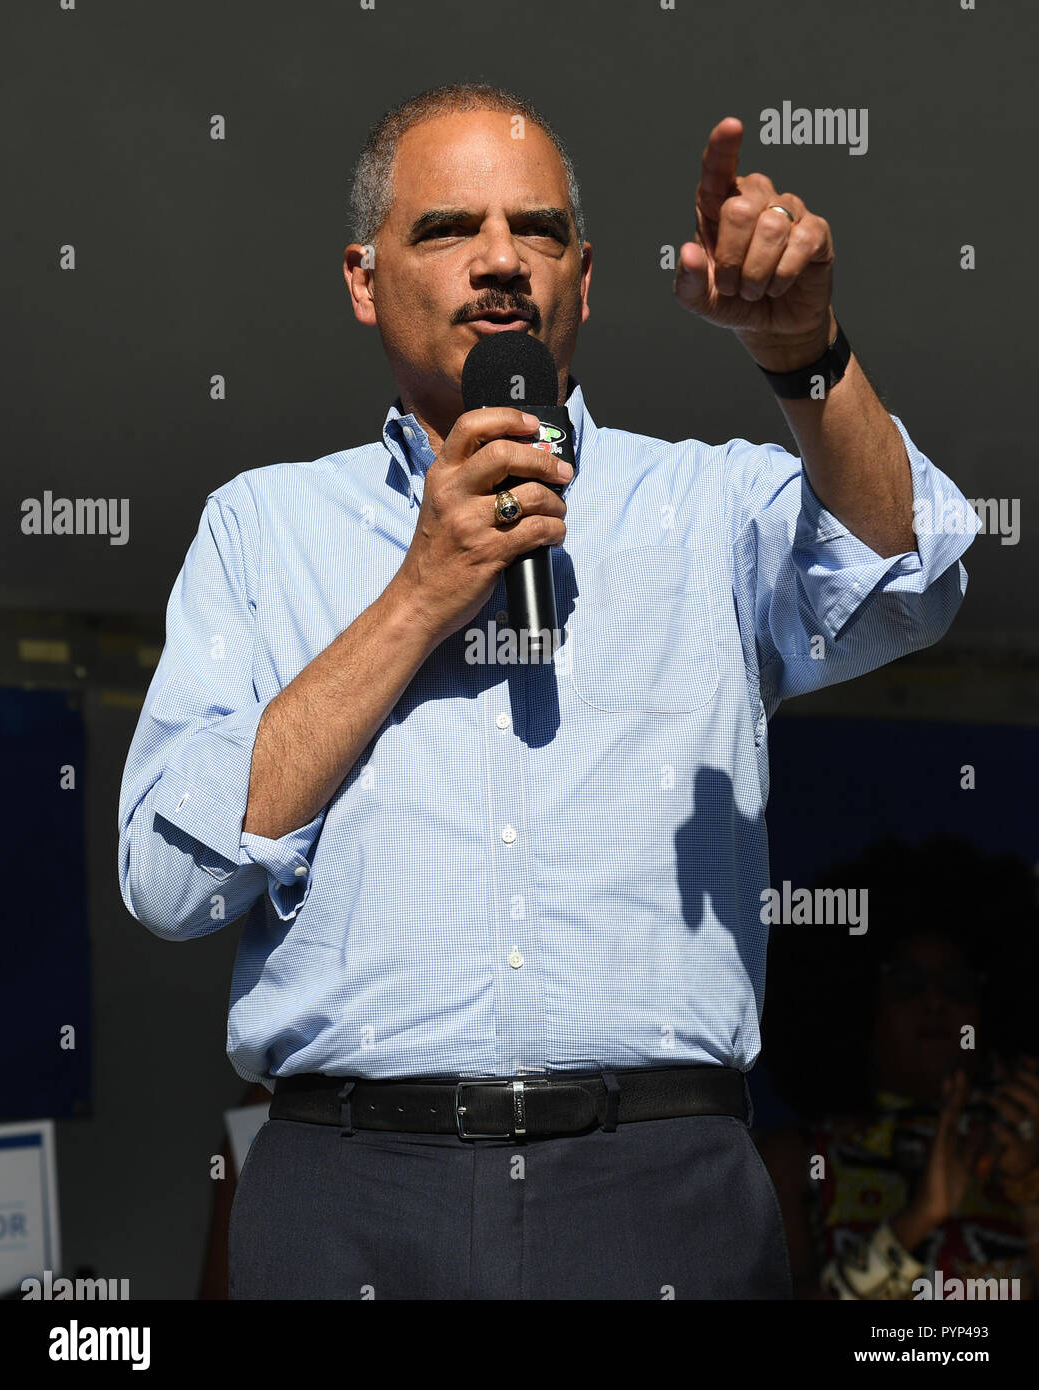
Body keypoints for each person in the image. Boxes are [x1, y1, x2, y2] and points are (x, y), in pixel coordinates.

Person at [117, 82, 979, 1300]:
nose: (499, 261)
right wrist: (418, 594)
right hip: (350, 1187)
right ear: (363, 280)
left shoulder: (703, 507)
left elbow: (910, 584)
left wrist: (805, 356)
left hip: (656, 1188)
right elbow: (168, 880)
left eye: (536, 230)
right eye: (447, 229)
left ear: (584, 277)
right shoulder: (262, 528)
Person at [756, 837, 1039, 1300]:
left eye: (957, 984)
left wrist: (1030, 1189)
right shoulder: (795, 1161)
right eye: (905, 984)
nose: (934, 1001)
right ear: (857, 1005)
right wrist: (917, 1220)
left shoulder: (1024, 1148)